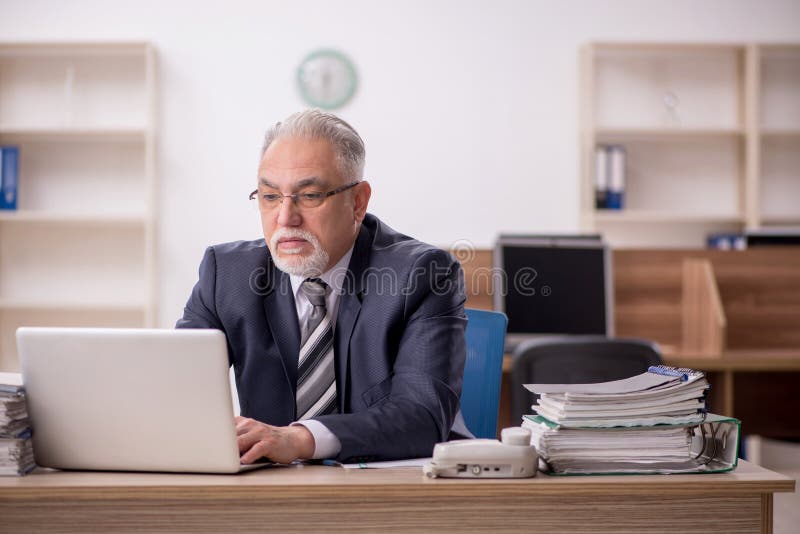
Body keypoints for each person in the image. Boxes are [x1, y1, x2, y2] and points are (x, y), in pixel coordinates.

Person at [177, 109, 468, 464]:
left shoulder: (421, 274)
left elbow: (422, 416)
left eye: (310, 195)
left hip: (388, 492)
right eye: (270, 197)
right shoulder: (226, 274)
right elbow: (175, 392)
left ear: (358, 202)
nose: (285, 218)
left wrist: (300, 439)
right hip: (266, 494)